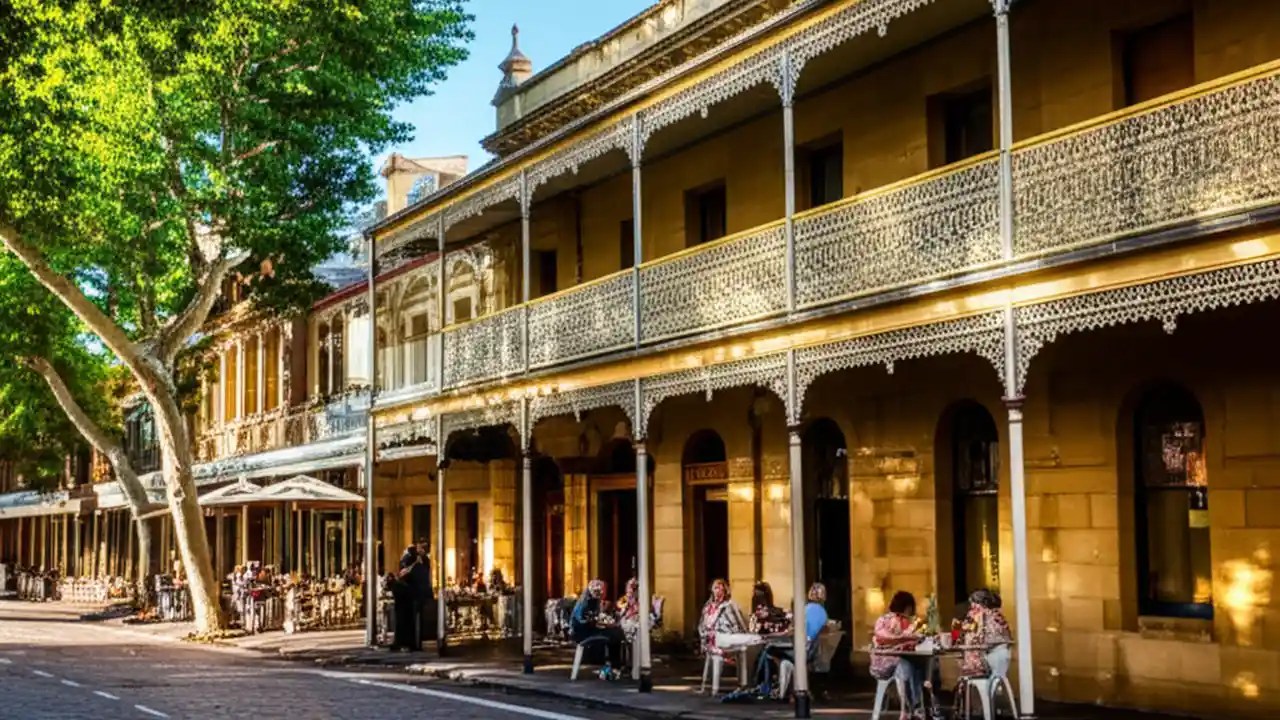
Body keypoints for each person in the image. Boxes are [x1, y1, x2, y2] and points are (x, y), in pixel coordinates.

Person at [871, 590, 925, 720]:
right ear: (907, 607)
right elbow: (884, 637)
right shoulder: (886, 620)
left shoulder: (903, 621)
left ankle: (913, 708)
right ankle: (912, 708)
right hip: (883, 664)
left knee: (914, 666)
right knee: (905, 665)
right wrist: (905, 637)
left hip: (897, 659)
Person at [571, 579, 624, 677]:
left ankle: (614, 664)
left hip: (587, 630)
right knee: (614, 635)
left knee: (615, 633)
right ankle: (615, 666)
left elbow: (594, 619)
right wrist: (605, 624)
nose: (601, 593)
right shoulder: (586, 603)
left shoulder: (591, 601)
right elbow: (588, 621)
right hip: (582, 633)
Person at [958, 589, 1012, 678]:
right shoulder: (997, 615)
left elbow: (972, 637)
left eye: (973, 603)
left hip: (986, 657)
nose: (972, 606)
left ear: (980, 603)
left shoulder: (979, 614)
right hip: (1003, 653)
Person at [698, 579, 747, 659]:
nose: (718, 591)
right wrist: (704, 641)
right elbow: (701, 625)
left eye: (722, 589)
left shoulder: (729, 605)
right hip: (709, 648)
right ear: (712, 590)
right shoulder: (707, 607)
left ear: (725, 592)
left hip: (725, 648)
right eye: (716, 588)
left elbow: (740, 625)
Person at [389, 546, 420, 651]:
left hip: (406, 598)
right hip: (407, 598)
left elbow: (405, 575)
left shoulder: (411, 565)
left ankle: (404, 642)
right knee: (406, 622)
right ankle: (406, 642)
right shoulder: (414, 565)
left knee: (404, 622)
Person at [409, 541, 436, 643]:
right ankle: (418, 639)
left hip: (421, 593)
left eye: (419, 548)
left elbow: (423, 575)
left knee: (420, 617)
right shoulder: (417, 561)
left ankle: (419, 639)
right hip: (420, 592)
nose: (418, 550)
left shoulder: (423, 562)